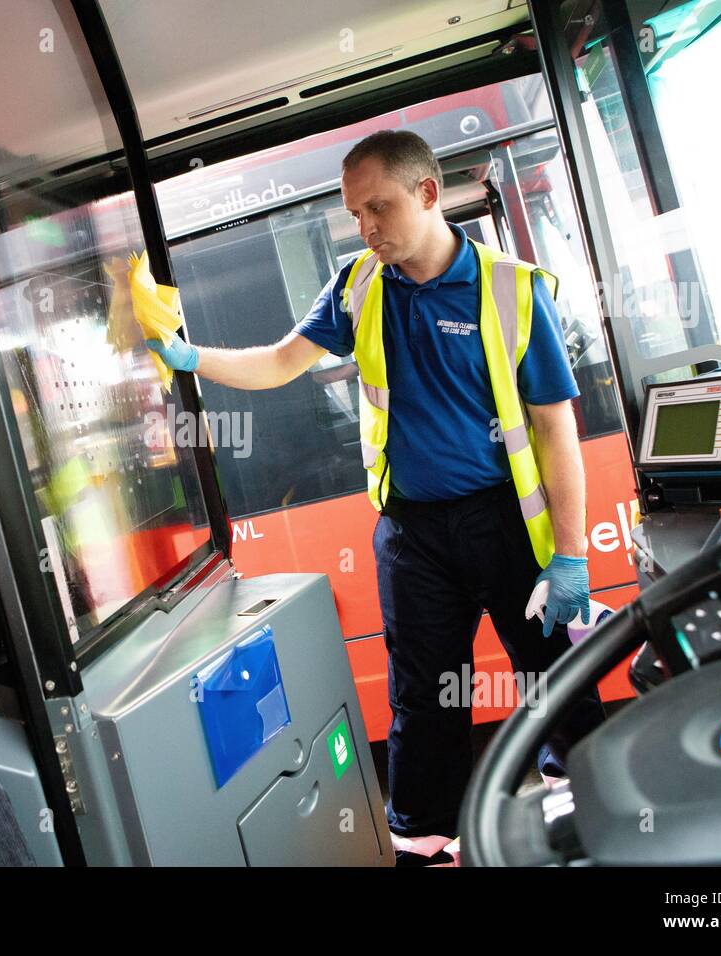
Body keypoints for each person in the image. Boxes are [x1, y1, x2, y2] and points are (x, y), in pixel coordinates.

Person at [147, 129, 605, 865]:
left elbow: (555, 427)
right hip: (411, 532)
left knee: (553, 671)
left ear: (427, 193)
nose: (364, 227)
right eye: (355, 213)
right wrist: (191, 357)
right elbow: (278, 362)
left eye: (377, 208)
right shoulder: (360, 285)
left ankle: (592, 814)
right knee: (422, 696)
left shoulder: (513, 290)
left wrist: (573, 556)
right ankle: (425, 841)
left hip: (507, 524)